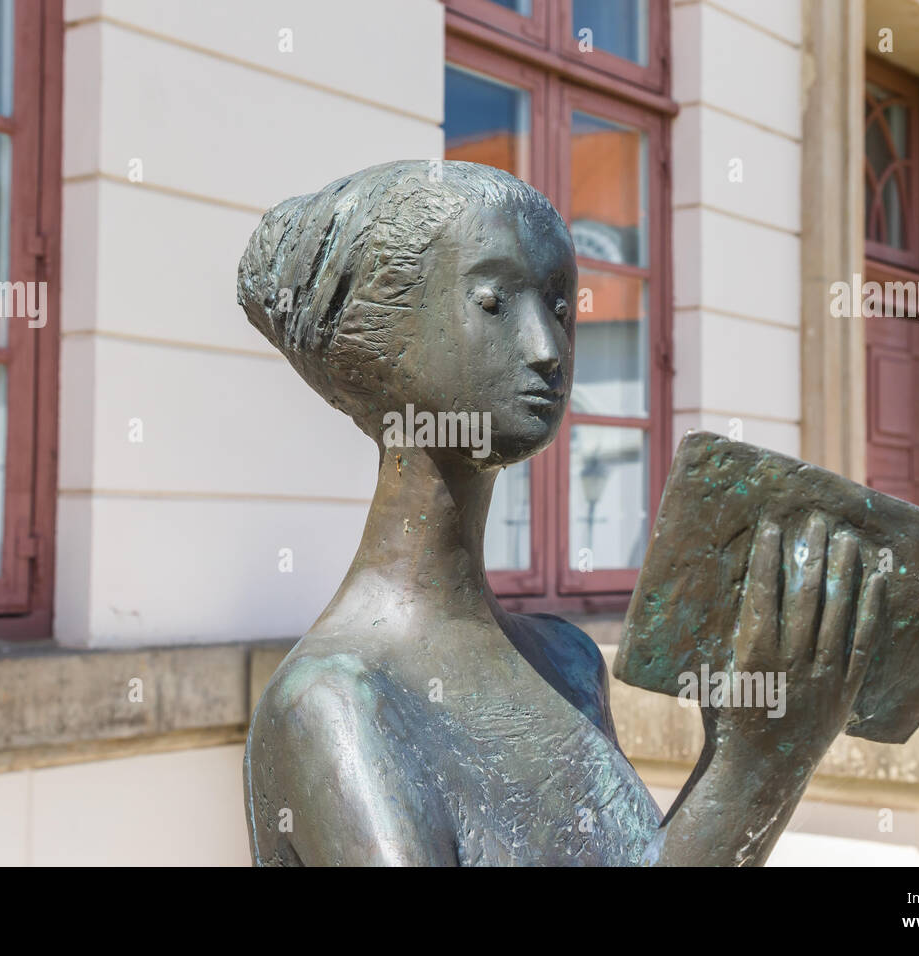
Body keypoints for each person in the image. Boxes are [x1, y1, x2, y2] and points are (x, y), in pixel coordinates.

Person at [237, 160, 883, 866]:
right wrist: (751, 773)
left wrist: (761, 757)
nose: (549, 349)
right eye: (493, 301)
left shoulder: (568, 662)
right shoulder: (334, 706)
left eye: (560, 306)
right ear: (387, 332)